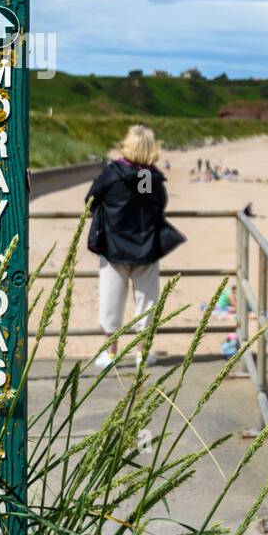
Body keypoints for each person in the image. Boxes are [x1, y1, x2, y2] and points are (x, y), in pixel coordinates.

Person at [87, 125, 186, 369]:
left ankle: (111, 355)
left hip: (114, 247)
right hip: (146, 248)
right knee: (147, 302)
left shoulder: (113, 173)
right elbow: (160, 205)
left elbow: (91, 199)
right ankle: (142, 353)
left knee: (111, 301)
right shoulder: (152, 177)